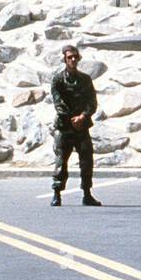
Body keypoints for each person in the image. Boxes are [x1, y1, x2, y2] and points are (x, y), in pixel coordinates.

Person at [49, 45, 100, 207]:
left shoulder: (85, 79)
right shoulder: (58, 79)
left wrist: (83, 117)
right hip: (64, 127)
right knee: (61, 160)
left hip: (82, 126)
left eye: (75, 57)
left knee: (86, 160)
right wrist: (73, 119)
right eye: (69, 57)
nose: (73, 60)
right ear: (64, 59)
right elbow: (59, 103)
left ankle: (87, 193)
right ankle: (57, 193)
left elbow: (92, 101)